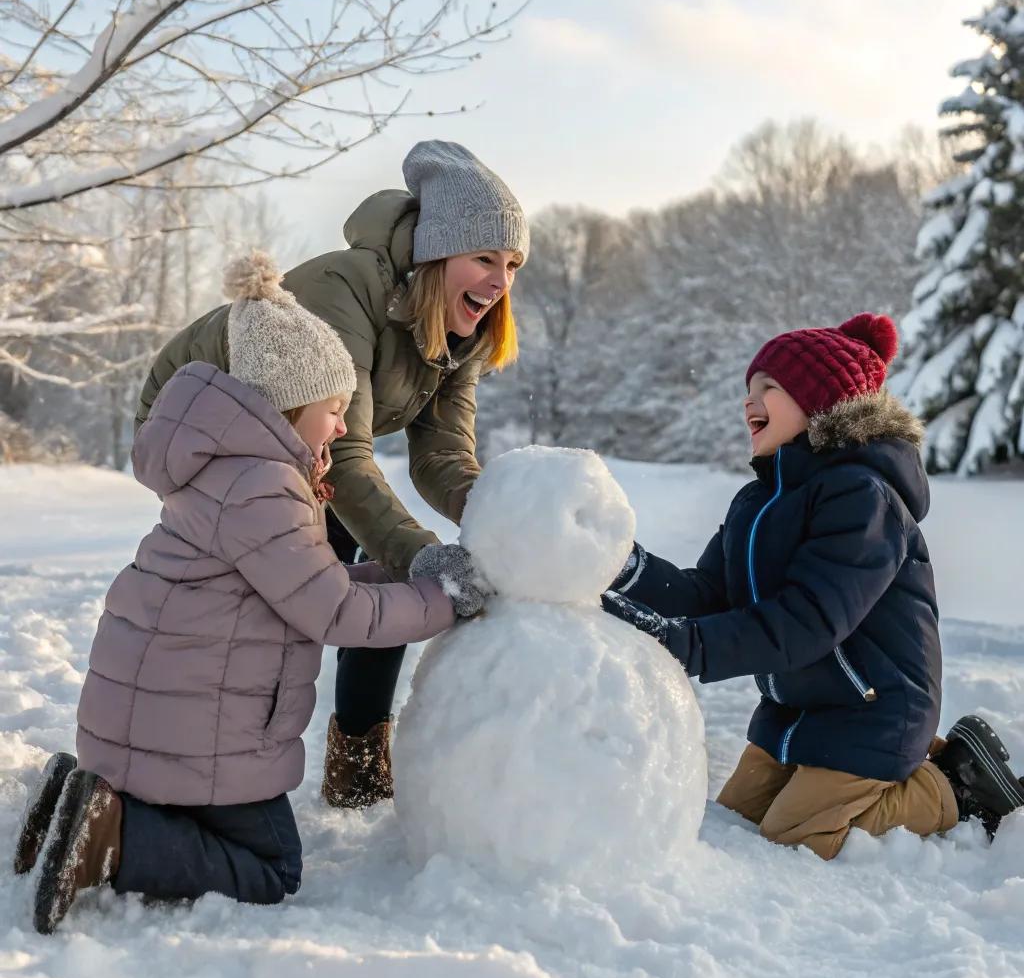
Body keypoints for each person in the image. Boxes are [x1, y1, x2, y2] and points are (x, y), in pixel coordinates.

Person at [16, 254, 480, 934]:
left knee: (254, 847)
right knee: (271, 867)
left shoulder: (231, 472)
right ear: (291, 407)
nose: (343, 429)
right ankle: (112, 837)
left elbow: (299, 585)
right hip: (196, 740)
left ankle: (88, 800)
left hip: (150, 727)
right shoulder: (264, 487)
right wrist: (444, 599)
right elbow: (333, 611)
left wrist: (394, 576)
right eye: (333, 411)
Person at [132, 141, 529, 810]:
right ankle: (183, 759)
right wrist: (424, 555)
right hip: (206, 426)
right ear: (437, 252)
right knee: (275, 590)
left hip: (305, 449)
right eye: (484, 259)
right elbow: (344, 456)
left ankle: (358, 761)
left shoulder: (457, 329)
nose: (500, 283)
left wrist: (505, 516)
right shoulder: (343, 288)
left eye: (513, 264)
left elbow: (442, 458)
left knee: (388, 567)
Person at [599, 313, 1024, 859]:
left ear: (822, 403)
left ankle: (955, 786)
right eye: (747, 390)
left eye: (768, 388)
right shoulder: (757, 501)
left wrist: (685, 644)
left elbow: (809, 621)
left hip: (876, 712)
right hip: (799, 709)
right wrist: (619, 565)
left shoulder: (862, 498)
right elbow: (708, 592)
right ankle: (892, 774)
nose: (749, 403)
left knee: (798, 835)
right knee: (735, 818)